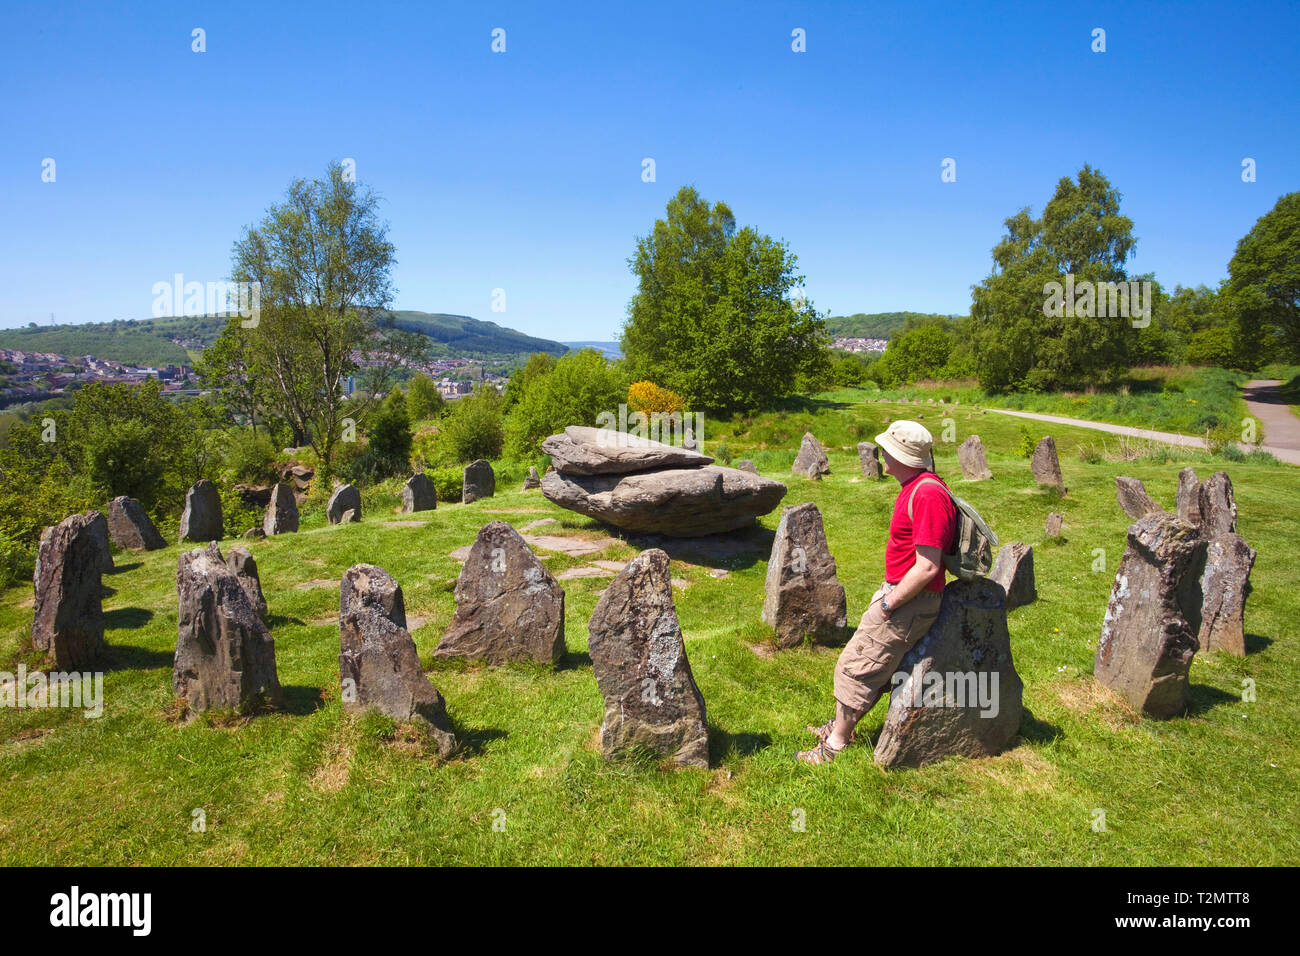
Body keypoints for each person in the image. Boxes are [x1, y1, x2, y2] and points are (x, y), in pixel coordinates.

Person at [796, 420, 957, 765]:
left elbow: (928, 566)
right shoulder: (918, 486)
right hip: (903, 595)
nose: (881, 454)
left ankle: (836, 744)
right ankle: (840, 725)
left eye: (886, 449)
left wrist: (889, 603)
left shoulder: (927, 494)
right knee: (870, 664)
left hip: (909, 600)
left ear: (901, 455)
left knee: (857, 667)